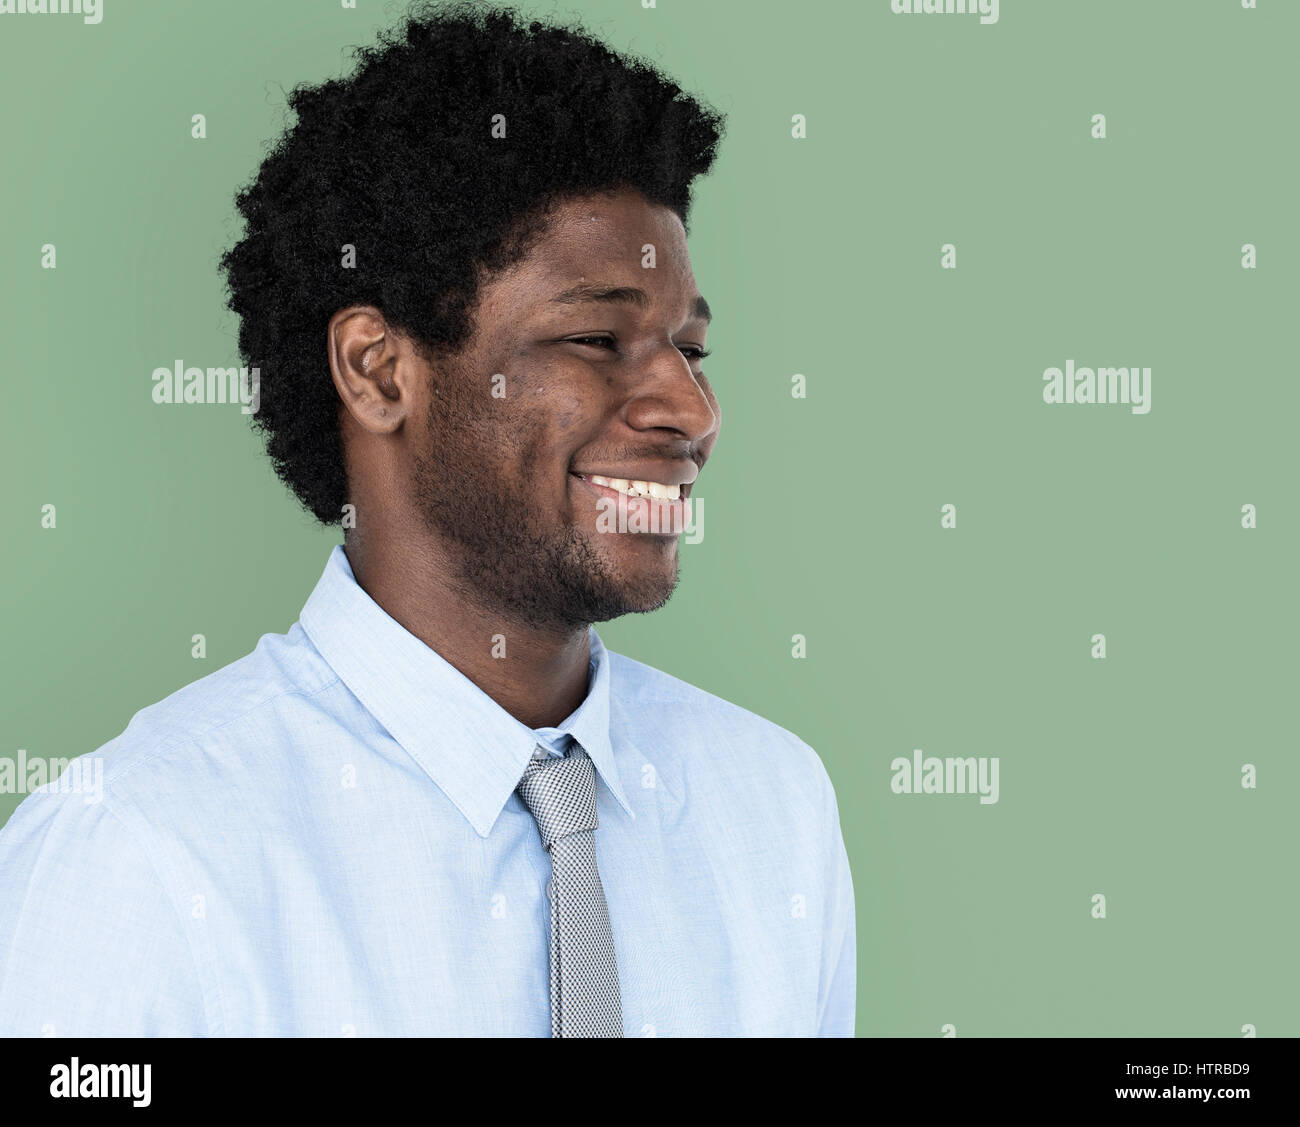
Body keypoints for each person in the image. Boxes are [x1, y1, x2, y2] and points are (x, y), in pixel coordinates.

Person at [0, 1, 855, 1037]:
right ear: (377, 369)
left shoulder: (771, 805)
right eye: (593, 336)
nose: (691, 409)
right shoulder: (139, 855)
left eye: (691, 349)